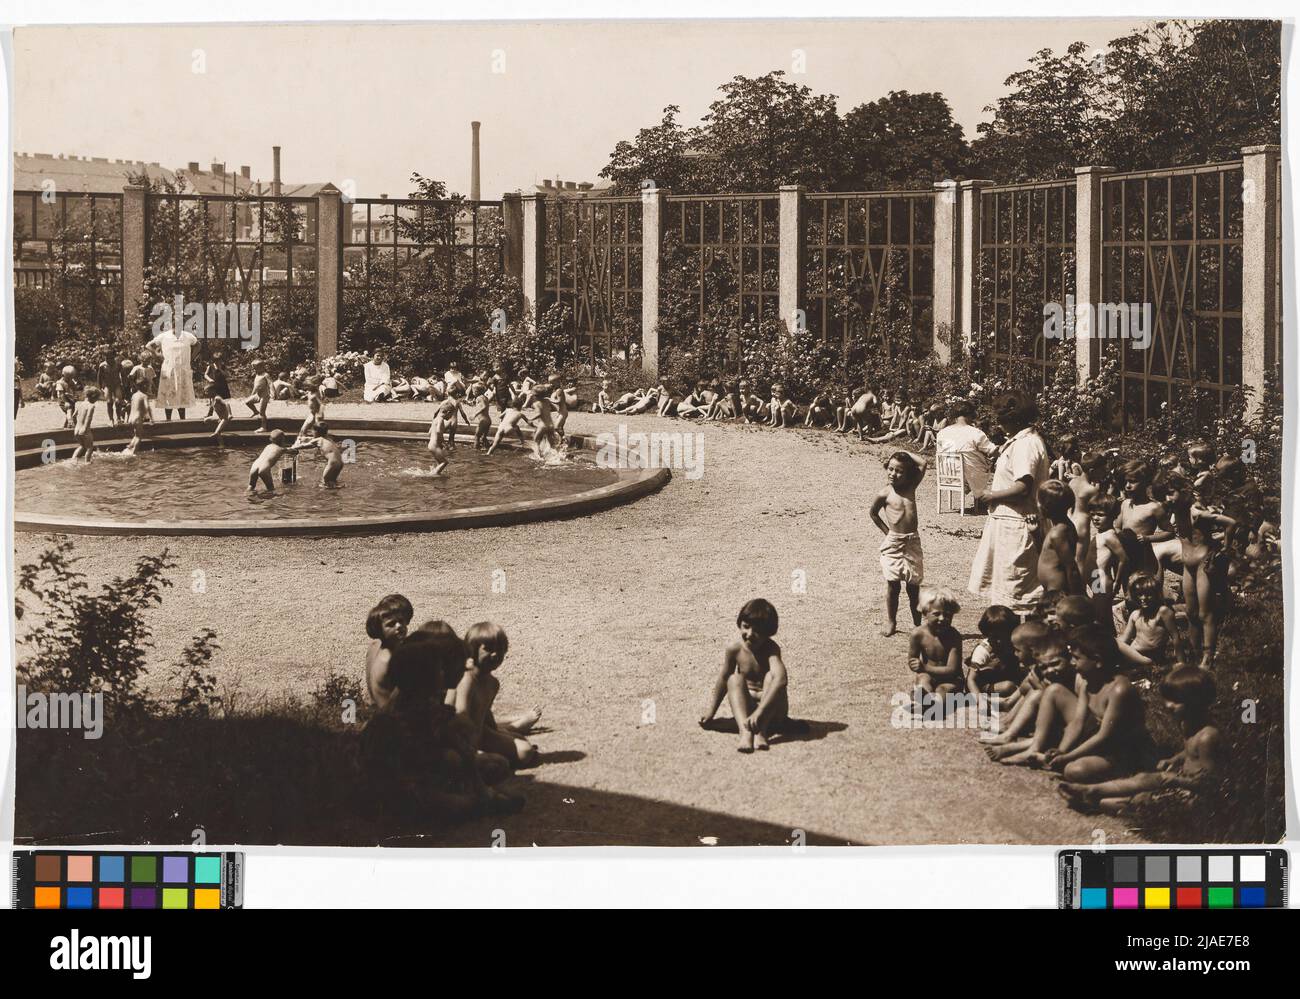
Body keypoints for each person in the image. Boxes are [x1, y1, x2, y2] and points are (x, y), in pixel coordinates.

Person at [359, 625, 523, 821]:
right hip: (400, 785)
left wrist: (482, 789)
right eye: (445, 669)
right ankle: (470, 802)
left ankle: (475, 798)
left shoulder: (431, 705)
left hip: (421, 771)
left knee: (489, 765)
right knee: (460, 800)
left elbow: (459, 747)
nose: (462, 670)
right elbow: (399, 769)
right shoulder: (402, 713)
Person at [997, 623, 1158, 781]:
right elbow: (1077, 723)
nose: (1072, 663)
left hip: (1122, 751)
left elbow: (1104, 736)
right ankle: (1041, 751)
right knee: (1055, 691)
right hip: (1094, 738)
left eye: (1076, 658)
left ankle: (1115, 773)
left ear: (1097, 661)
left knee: (1074, 770)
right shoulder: (1089, 682)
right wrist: (1061, 752)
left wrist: (1068, 757)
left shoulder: (1119, 689)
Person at [1059, 667, 1220, 815]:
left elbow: (1210, 784)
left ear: (1197, 702)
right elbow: (1191, 752)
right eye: (1168, 699)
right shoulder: (1189, 724)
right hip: (1179, 785)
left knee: (1121, 800)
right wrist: (1174, 759)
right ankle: (1091, 791)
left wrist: (1174, 780)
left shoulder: (1207, 737)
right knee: (1143, 779)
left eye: (1176, 701)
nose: (1168, 705)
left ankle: (1093, 795)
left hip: (1192, 796)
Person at [968, 391, 1050, 615]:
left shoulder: (1026, 444)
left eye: (1002, 419)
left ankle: (1020, 640)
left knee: (1017, 589)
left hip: (1018, 522)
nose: (999, 425)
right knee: (1005, 586)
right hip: (1007, 522)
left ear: (1015, 419)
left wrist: (991, 495)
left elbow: (1023, 487)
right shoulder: (1018, 442)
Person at [699, 598, 789, 753]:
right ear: (740, 624)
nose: (750, 634)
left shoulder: (771, 649)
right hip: (747, 708)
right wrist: (711, 711)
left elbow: (781, 679)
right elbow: (724, 678)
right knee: (734, 679)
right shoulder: (734, 649)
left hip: (771, 710)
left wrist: (761, 712)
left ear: (768, 633)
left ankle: (761, 732)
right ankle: (745, 731)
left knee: (770, 677)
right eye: (746, 627)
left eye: (758, 631)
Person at [455, 622, 539, 768]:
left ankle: (511, 729)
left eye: (500, 650)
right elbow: (461, 717)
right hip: (465, 737)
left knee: (521, 741)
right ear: (472, 649)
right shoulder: (467, 680)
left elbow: (485, 715)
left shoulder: (492, 683)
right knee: (524, 751)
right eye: (488, 649)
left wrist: (497, 734)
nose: (495, 654)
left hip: (482, 732)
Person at [870, 450, 929, 636]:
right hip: (894, 542)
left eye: (899, 471)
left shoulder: (911, 486)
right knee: (893, 585)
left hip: (912, 541)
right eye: (890, 469)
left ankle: (917, 625)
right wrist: (888, 533)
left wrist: (903, 453)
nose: (893, 474)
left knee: (913, 586)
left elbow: (923, 463)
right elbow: (873, 513)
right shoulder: (884, 493)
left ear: (908, 474)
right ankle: (891, 622)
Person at [908, 587, 964, 705]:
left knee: (942, 690)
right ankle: (923, 700)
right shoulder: (918, 634)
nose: (942, 619)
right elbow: (913, 661)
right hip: (928, 675)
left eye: (948, 614)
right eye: (936, 614)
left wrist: (925, 668)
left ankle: (933, 705)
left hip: (951, 679)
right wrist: (916, 665)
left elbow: (952, 670)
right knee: (923, 680)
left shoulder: (954, 637)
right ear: (925, 613)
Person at [1120, 572, 1187, 670]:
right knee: (1109, 642)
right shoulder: (1136, 614)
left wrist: (1181, 662)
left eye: (1148, 595)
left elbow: (1175, 638)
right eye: (1139, 595)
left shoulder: (1162, 612)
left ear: (1156, 595)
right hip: (1134, 654)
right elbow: (1124, 639)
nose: (1143, 598)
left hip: (1149, 658)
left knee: (1112, 645)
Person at [935, 399, 997, 500]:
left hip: (948, 475)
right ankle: (981, 497)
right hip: (970, 476)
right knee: (985, 464)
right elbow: (991, 450)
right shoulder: (975, 433)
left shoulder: (942, 433)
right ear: (970, 415)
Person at [365, 594, 415, 710]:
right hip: (391, 717)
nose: (399, 626)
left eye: (402, 620)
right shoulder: (390, 660)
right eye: (391, 624)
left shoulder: (375, 647)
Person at [1038, 479, 1085, 596]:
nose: (1037, 505)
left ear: (1046, 507)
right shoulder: (1061, 527)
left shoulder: (1058, 533)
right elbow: (1047, 555)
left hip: (1057, 592)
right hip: (1052, 590)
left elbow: (1071, 567)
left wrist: (1076, 597)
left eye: (1039, 501)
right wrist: (1035, 533)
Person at [965, 605, 1023, 699]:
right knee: (1008, 686)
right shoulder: (983, 650)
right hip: (983, 685)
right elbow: (971, 679)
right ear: (986, 633)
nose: (999, 641)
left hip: (1003, 678)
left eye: (1004, 636)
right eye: (995, 637)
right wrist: (978, 699)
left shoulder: (1012, 644)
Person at [147, 323, 198, 420]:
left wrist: (192, 358)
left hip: (183, 370)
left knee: (182, 394)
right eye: (175, 324)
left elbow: (198, 345)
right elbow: (149, 346)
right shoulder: (164, 336)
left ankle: (182, 420)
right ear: (172, 325)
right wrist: (157, 355)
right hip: (169, 369)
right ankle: (168, 420)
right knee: (168, 394)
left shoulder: (187, 336)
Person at [247, 429, 309, 494]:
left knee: (251, 486)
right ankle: (269, 502)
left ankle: (246, 497)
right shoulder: (281, 449)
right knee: (271, 489)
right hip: (264, 468)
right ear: (282, 440)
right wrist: (296, 448)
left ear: (270, 439)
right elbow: (293, 451)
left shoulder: (268, 446)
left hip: (254, 466)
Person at [297, 422, 346, 486]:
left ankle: (324, 495)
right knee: (332, 482)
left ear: (316, 432)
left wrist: (289, 448)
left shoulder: (318, 440)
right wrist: (306, 438)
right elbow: (313, 439)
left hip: (332, 463)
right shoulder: (328, 438)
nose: (311, 433)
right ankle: (335, 494)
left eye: (312, 431)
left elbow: (303, 446)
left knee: (324, 483)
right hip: (340, 463)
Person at [122, 369, 152, 456]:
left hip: (130, 419)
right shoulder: (144, 396)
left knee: (135, 435)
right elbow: (147, 407)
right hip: (138, 419)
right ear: (145, 386)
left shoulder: (134, 395)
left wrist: (123, 412)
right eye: (147, 385)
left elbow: (129, 406)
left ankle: (128, 448)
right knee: (139, 437)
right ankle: (134, 453)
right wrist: (150, 418)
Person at [69, 386, 99, 462]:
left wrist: (76, 424)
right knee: (89, 448)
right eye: (97, 398)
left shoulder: (80, 404)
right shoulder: (91, 406)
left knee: (82, 446)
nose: (96, 400)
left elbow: (73, 415)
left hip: (76, 430)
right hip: (84, 429)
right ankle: (87, 462)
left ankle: (72, 460)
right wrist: (85, 428)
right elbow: (89, 417)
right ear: (93, 397)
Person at [243, 360, 272, 430]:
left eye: (255, 368)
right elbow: (256, 386)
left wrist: (273, 392)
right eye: (254, 368)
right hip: (258, 395)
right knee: (247, 402)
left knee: (262, 412)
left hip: (264, 396)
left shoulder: (265, 375)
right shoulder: (257, 375)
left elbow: (270, 383)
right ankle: (255, 412)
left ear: (262, 367)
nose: (254, 369)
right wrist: (252, 394)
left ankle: (263, 427)